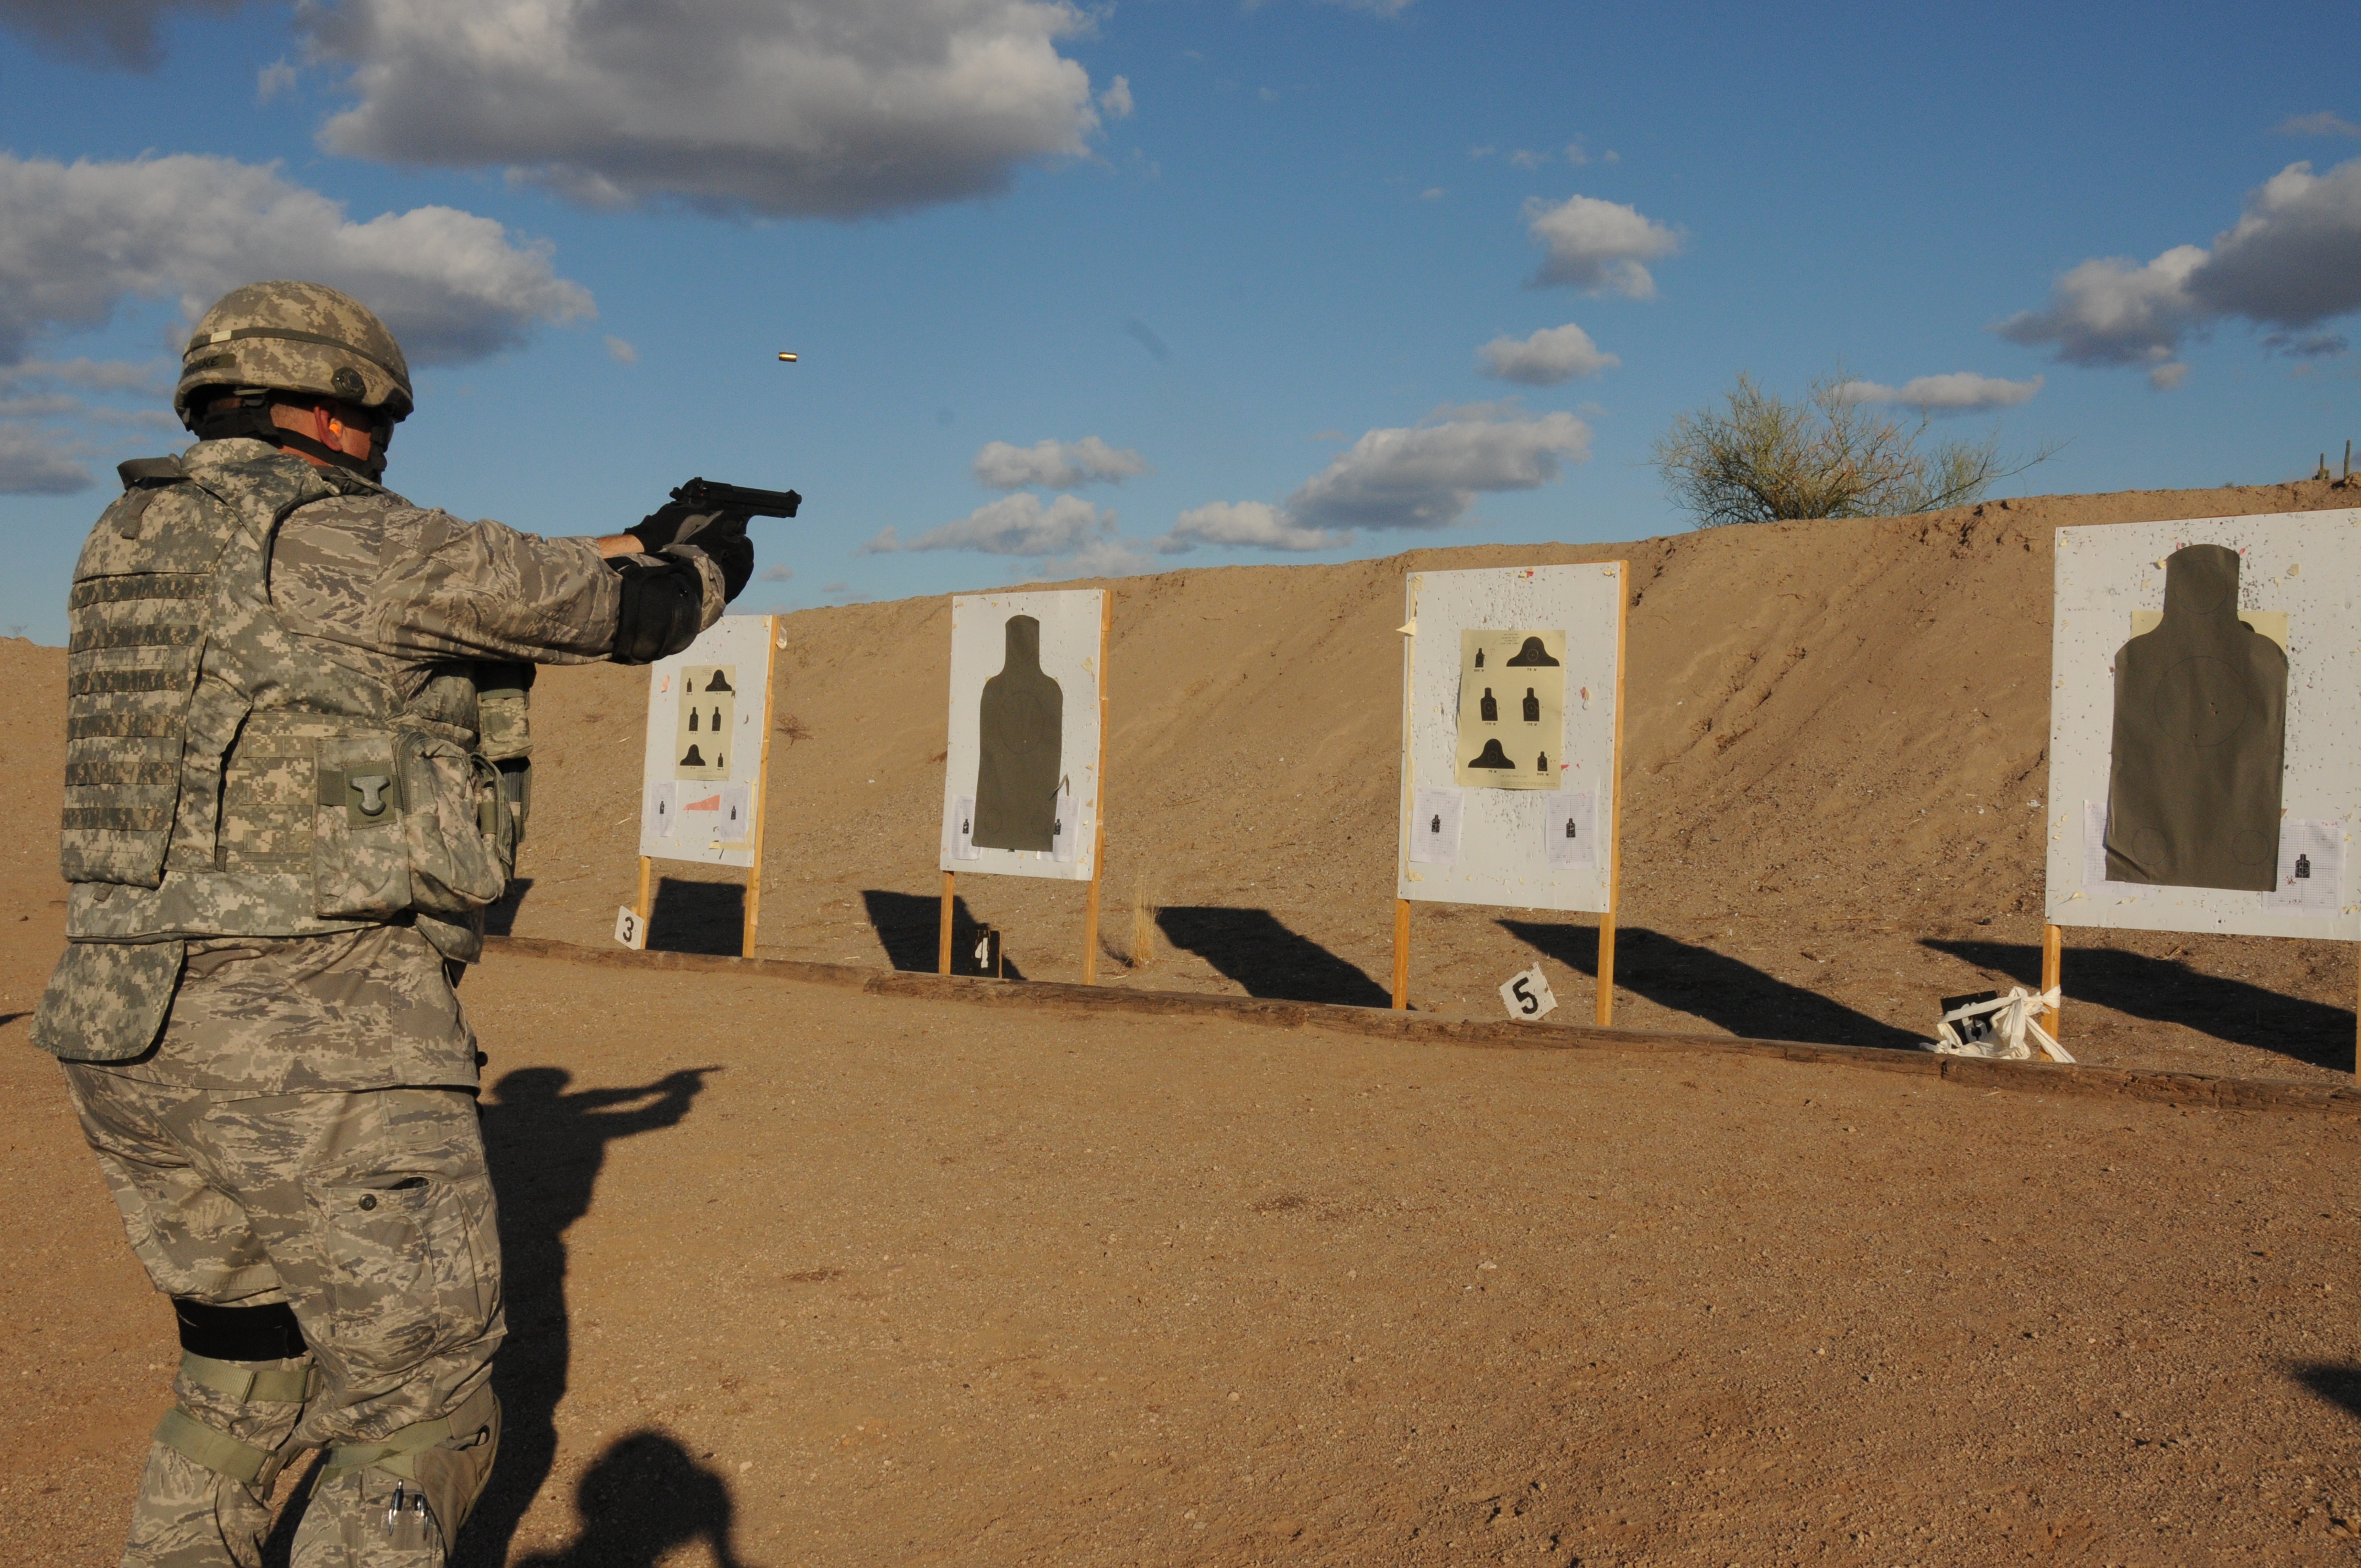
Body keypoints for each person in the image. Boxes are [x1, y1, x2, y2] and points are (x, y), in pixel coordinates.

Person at [27, 279, 755, 1567]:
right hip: (315, 1033)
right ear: (329, 406)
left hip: (125, 1030)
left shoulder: (129, 537)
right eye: (378, 424)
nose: (379, 451)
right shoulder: (343, 537)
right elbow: (622, 614)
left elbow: (452, 585)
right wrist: (703, 560)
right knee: (419, 1411)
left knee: (241, 1379)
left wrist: (624, 535)